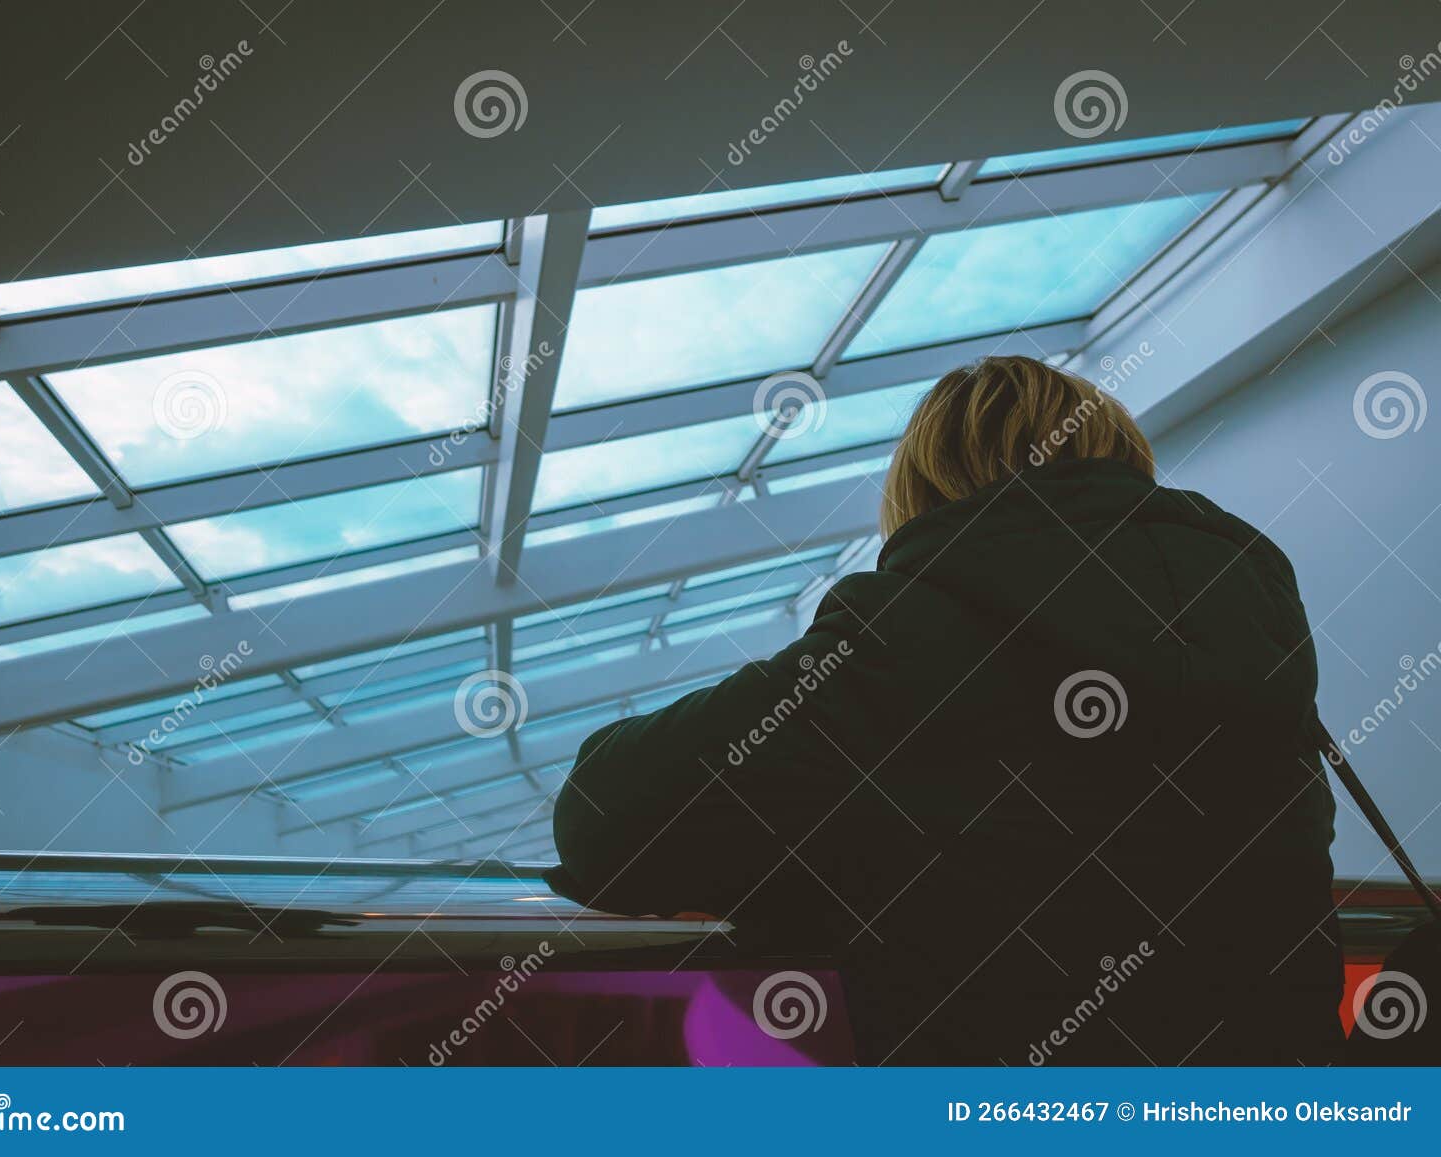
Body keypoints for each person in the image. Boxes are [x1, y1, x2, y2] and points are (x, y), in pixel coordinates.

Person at [547, 355, 1345, 1065]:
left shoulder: (905, 638)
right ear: (1125, 464)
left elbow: (605, 818)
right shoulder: (1255, 619)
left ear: (924, 492)